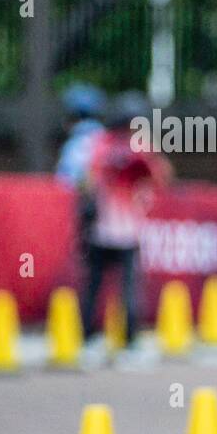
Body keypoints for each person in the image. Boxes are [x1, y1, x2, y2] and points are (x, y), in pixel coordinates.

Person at [80, 91, 173, 355]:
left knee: (96, 286)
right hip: (123, 231)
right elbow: (162, 177)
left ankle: (89, 338)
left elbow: (87, 182)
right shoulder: (136, 146)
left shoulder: (101, 144)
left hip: (103, 230)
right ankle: (128, 342)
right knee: (126, 288)